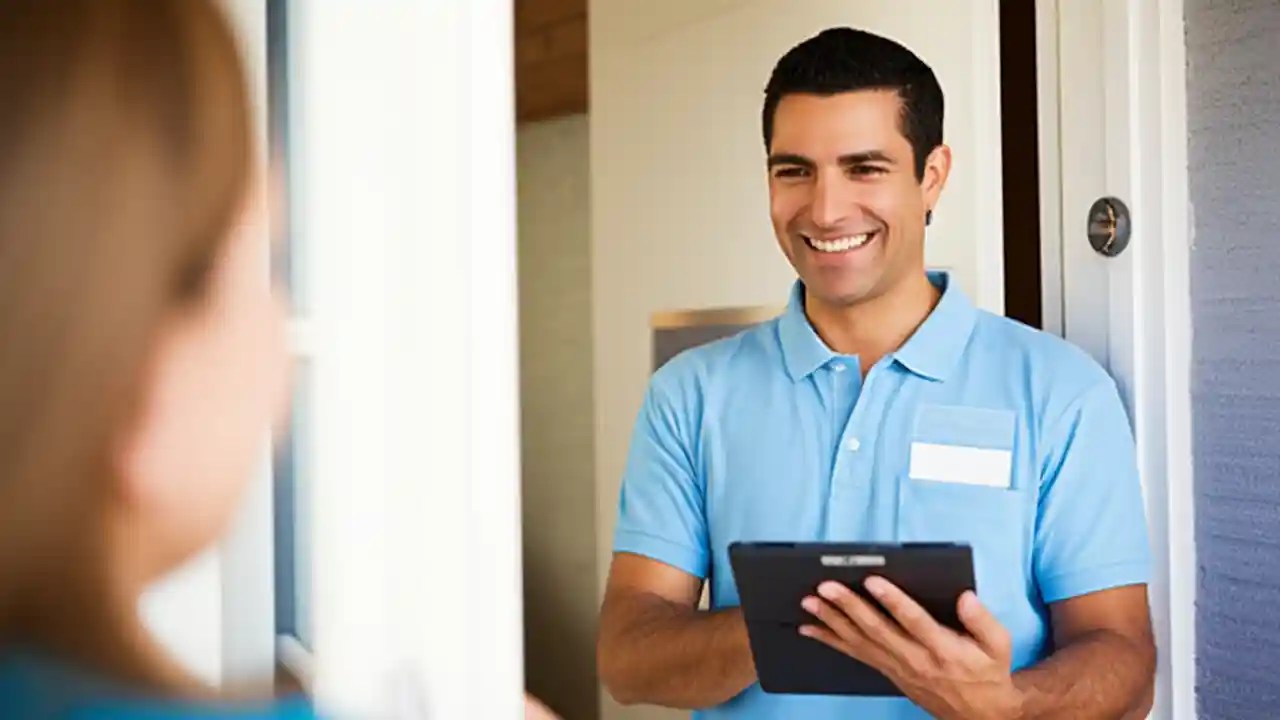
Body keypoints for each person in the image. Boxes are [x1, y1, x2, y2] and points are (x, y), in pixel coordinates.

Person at [597, 27, 1156, 720]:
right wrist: (806, 615)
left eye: (864, 168)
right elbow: (628, 659)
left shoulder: (1062, 392)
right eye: (794, 170)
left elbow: (1125, 658)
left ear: (932, 175)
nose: (825, 210)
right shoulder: (689, 396)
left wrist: (1008, 706)